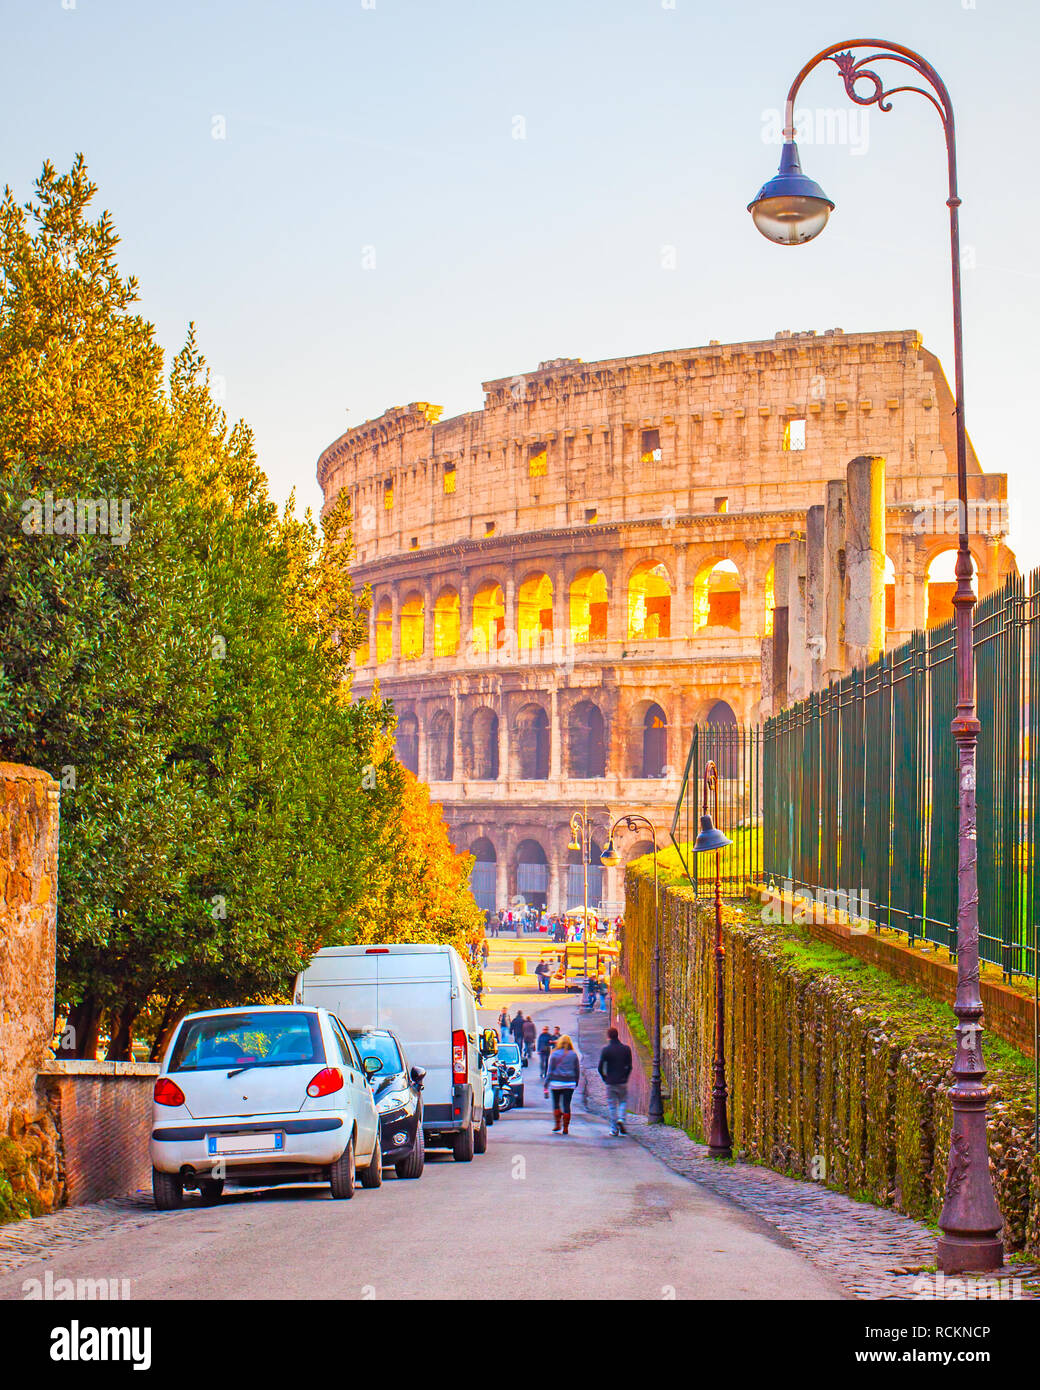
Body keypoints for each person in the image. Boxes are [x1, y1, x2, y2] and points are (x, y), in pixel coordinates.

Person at [598, 1026, 633, 1136]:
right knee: (623, 1101)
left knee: (612, 1106)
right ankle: (621, 1119)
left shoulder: (606, 1050)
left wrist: (605, 1078)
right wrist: (626, 1077)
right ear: (617, 1035)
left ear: (608, 1037)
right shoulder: (626, 1049)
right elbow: (630, 1066)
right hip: (622, 1080)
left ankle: (614, 1129)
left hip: (611, 1081)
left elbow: (600, 1067)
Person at [544, 1034, 581, 1134]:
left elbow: (550, 1070)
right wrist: (576, 1081)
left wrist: (546, 1084)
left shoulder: (554, 1054)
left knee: (556, 1103)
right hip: (569, 1083)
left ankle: (557, 1124)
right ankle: (565, 1127)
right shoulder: (573, 1054)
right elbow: (577, 1069)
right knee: (566, 1104)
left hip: (556, 1082)